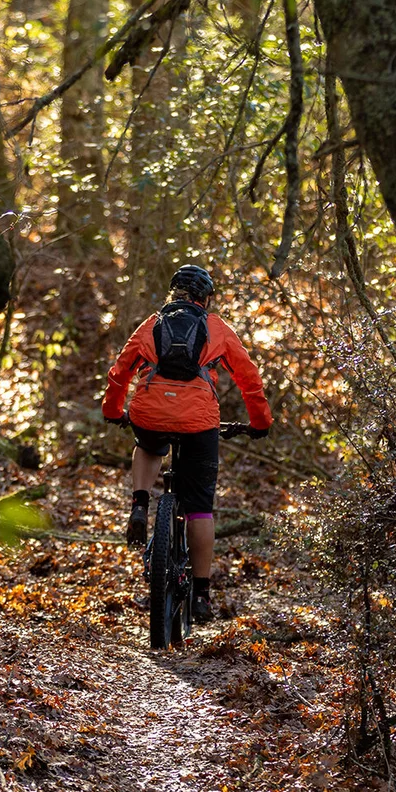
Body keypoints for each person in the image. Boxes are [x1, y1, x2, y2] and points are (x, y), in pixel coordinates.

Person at [101, 264, 273, 623]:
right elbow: (249, 378)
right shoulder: (216, 328)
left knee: (148, 445)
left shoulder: (151, 325)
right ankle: (201, 594)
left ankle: (139, 503)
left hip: (150, 413)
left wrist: (114, 411)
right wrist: (260, 423)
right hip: (199, 422)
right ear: (205, 298)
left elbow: (120, 371)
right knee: (199, 507)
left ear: (172, 293)